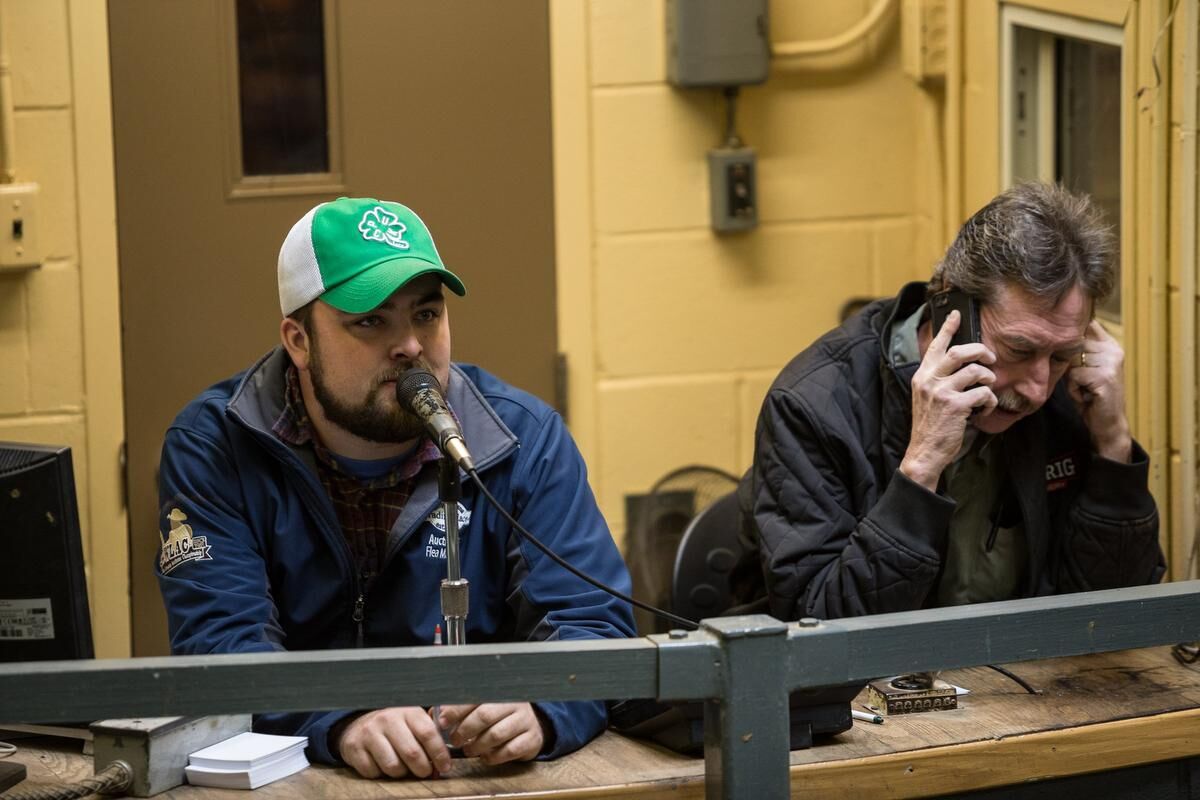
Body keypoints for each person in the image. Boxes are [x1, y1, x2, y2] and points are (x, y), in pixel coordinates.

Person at [156, 197, 636, 779]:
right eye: (371, 320)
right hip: (302, 779)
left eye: (427, 315)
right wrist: (341, 719)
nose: (410, 345)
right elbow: (219, 647)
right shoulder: (216, 445)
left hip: (470, 779)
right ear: (298, 340)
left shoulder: (521, 439)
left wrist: (545, 707)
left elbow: (592, 625)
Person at [734, 182, 1164, 621]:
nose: (1037, 388)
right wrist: (920, 468)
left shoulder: (1072, 393)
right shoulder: (814, 406)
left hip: (1025, 679)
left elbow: (1118, 617)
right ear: (949, 309)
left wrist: (1113, 447)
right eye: (1018, 350)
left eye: (1060, 356)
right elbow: (820, 633)